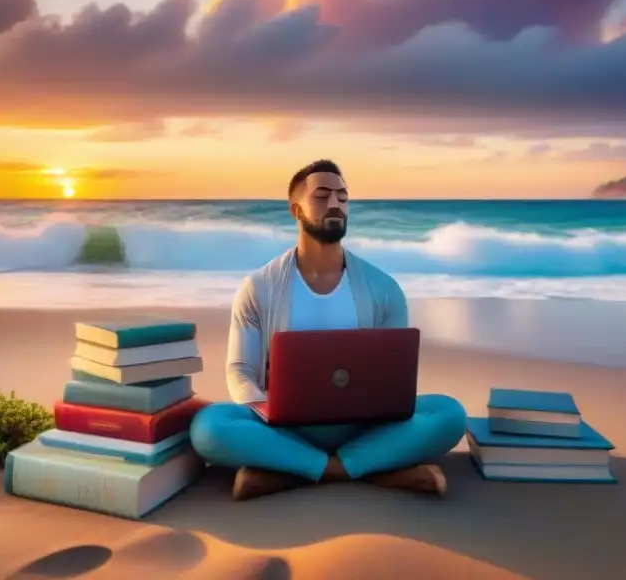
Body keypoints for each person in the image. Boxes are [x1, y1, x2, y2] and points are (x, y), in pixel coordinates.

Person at [190, 159, 467, 501]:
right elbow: (241, 371)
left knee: (449, 413)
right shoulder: (259, 287)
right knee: (209, 428)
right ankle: (375, 469)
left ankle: (293, 473)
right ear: (296, 210)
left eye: (343, 196)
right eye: (322, 196)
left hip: (365, 429)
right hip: (286, 429)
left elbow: (393, 380)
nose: (335, 204)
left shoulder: (384, 288)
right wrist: (264, 408)